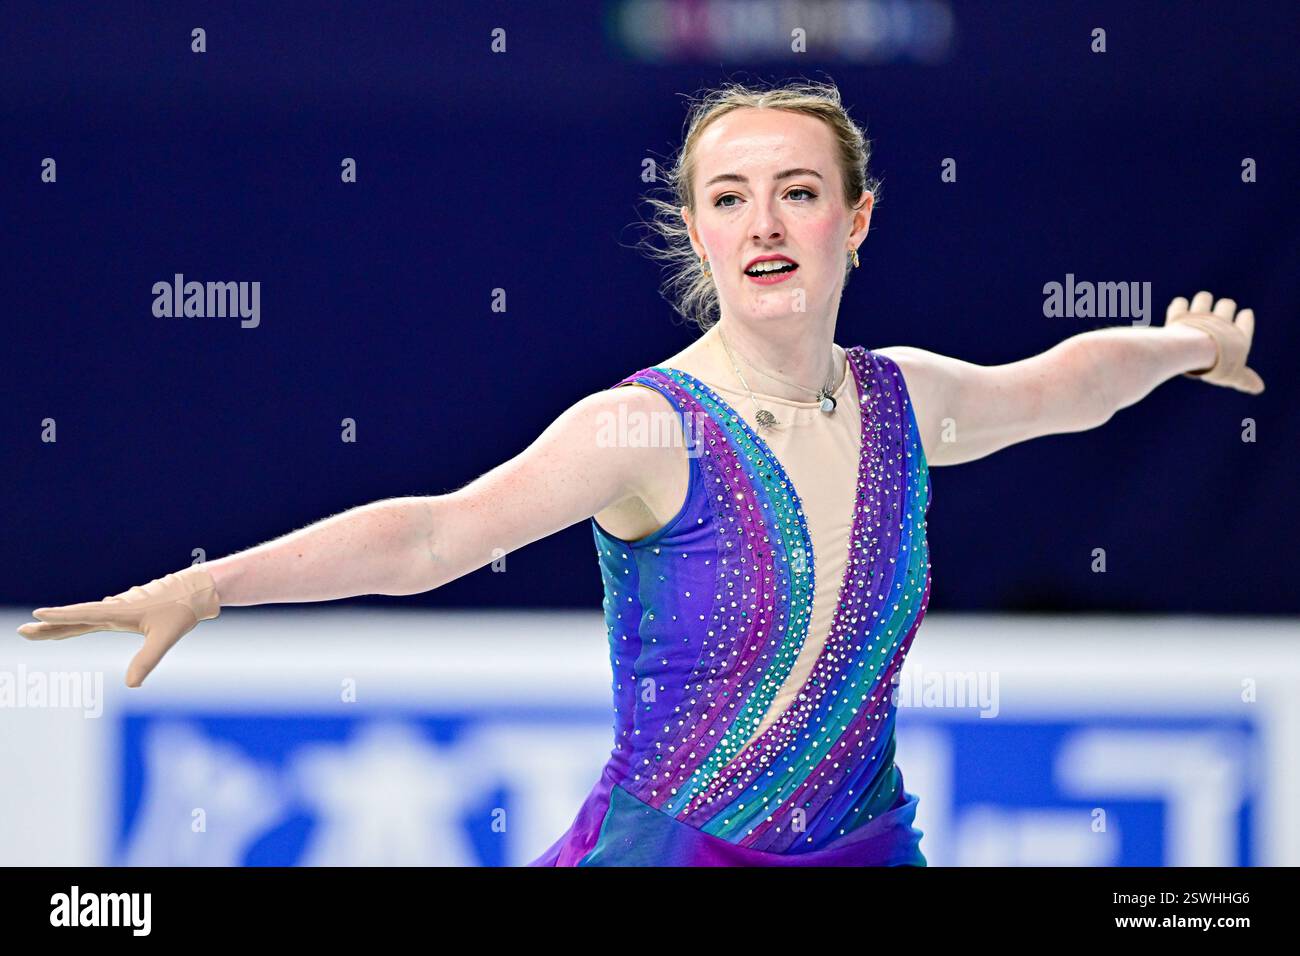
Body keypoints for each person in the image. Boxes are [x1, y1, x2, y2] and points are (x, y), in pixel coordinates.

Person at [17, 79, 1263, 866]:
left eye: (796, 192)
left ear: (857, 217)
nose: (764, 221)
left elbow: (1059, 383)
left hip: (864, 846)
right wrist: (213, 583)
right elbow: (434, 536)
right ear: (698, 229)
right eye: (729, 197)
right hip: (673, 854)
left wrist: (1189, 345)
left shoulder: (902, 400)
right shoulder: (647, 428)